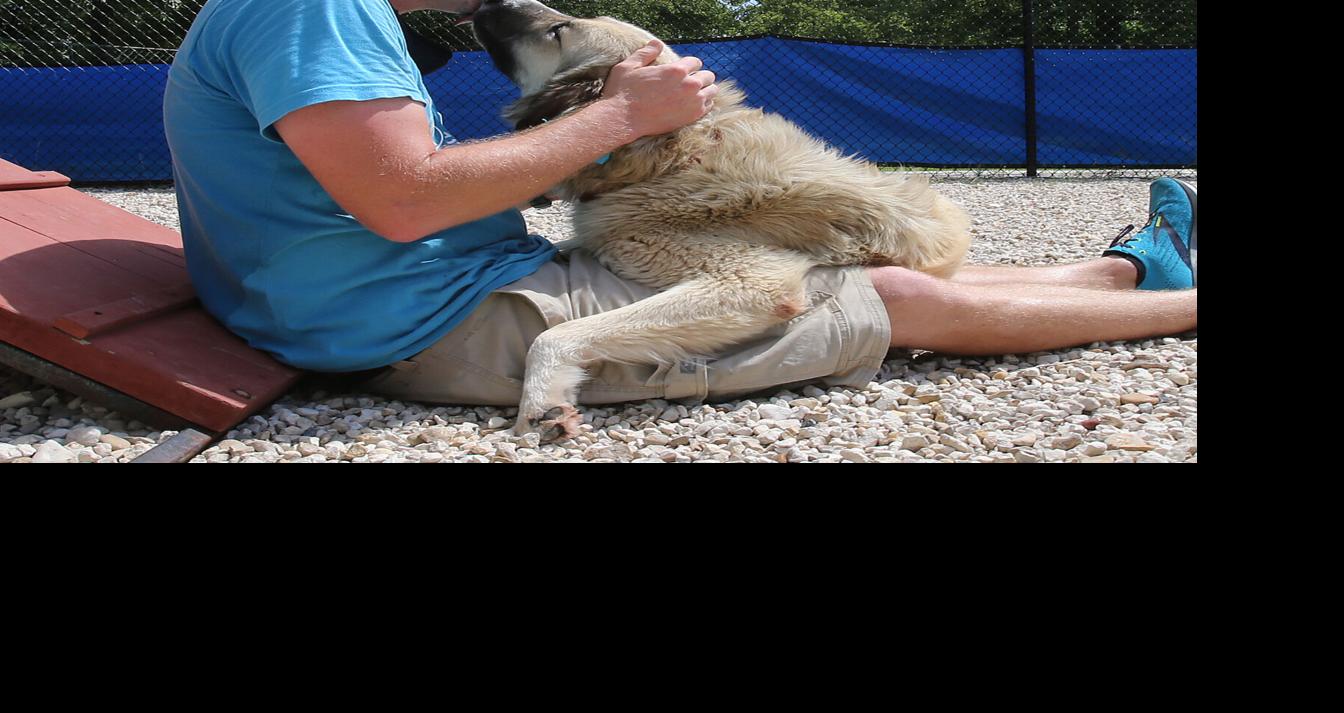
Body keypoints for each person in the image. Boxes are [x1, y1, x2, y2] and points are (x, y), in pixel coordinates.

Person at [163, 0, 1196, 413]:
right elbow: (401, 200)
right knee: (883, 295)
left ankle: (1122, 272)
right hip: (437, 326)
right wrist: (619, 116)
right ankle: (1179, 304)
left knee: (838, 262)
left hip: (456, 287)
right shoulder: (317, 8)